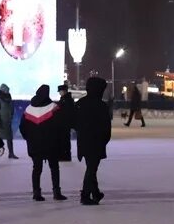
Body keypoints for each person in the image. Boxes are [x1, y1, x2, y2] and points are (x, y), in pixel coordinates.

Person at [20, 85, 67, 201]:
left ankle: (36, 193)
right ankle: (56, 192)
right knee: (54, 168)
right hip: (51, 144)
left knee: (36, 168)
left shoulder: (28, 110)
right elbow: (61, 127)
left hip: (34, 144)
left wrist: (29, 138)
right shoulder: (54, 108)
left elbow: (22, 127)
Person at [75, 76, 112, 205]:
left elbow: (74, 122)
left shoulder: (80, 103)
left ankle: (95, 192)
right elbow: (106, 127)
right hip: (96, 142)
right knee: (91, 169)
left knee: (91, 168)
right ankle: (85, 195)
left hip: (83, 141)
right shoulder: (101, 106)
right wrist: (104, 140)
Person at [0, 83, 19, 158]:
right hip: (0, 122)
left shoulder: (8, 97)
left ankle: (11, 153)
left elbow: (11, 107)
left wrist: (11, 115)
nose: (8, 91)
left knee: (9, 138)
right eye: (6, 90)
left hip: (7, 122)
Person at [56, 84, 76, 162]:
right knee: (63, 140)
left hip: (65, 123)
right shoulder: (64, 99)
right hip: (62, 123)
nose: (59, 93)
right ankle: (63, 155)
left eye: (60, 91)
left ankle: (65, 156)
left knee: (65, 140)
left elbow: (68, 112)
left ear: (64, 91)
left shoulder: (67, 100)